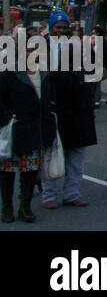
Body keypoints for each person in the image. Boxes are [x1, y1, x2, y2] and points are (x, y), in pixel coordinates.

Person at [43, 11, 97, 209]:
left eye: (64, 28)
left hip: (77, 107)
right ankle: (48, 195)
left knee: (76, 155)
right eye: (57, 27)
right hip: (54, 106)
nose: (61, 31)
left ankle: (71, 194)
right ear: (50, 28)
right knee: (52, 153)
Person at [0, 53, 56, 223]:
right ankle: (7, 207)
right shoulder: (9, 72)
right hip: (15, 129)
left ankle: (25, 207)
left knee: (30, 171)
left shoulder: (44, 73)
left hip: (36, 129)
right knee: (7, 172)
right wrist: (7, 117)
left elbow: (50, 97)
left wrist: (51, 115)